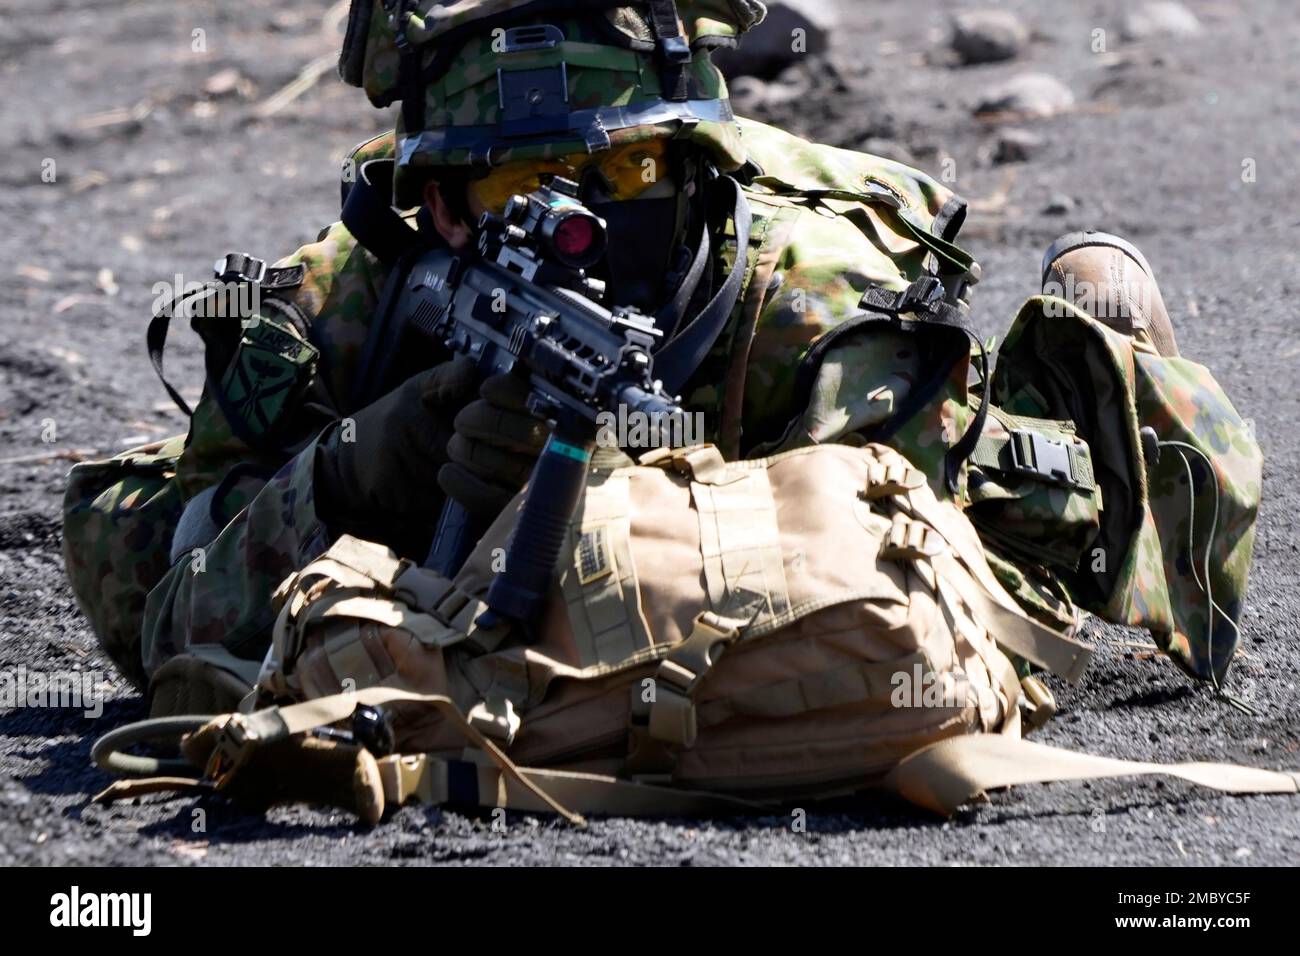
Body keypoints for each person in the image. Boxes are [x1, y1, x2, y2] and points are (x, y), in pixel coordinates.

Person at [63, 1, 1260, 715]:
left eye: (619, 176)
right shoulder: (349, 299)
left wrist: (633, 509)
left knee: (1048, 516)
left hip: (810, 456)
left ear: (696, 168)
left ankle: (1086, 335)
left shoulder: (814, 307)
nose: (566, 222)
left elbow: (932, 626)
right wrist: (350, 473)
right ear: (431, 205)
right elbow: (142, 593)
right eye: (509, 187)